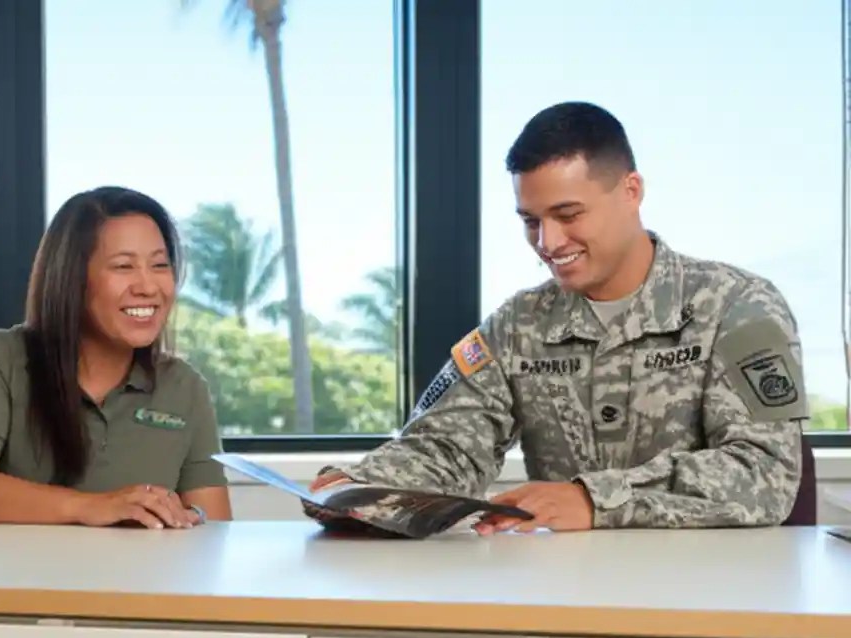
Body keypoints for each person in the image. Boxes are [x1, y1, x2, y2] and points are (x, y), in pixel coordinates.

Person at [310, 101, 808, 533]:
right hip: (567, 597)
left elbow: (764, 474)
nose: (547, 243)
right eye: (531, 221)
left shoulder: (737, 306)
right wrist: (363, 488)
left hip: (717, 605)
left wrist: (595, 498)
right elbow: (448, 446)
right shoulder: (517, 326)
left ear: (631, 190)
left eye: (568, 215)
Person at [0, 185, 233, 529]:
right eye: (123, 266)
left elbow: (215, 528)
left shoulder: (184, 387)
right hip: (21, 579)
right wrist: (90, 507)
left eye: (160, 265)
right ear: (72, 279)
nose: (148, 286)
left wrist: (193, 519)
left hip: (139, 582)